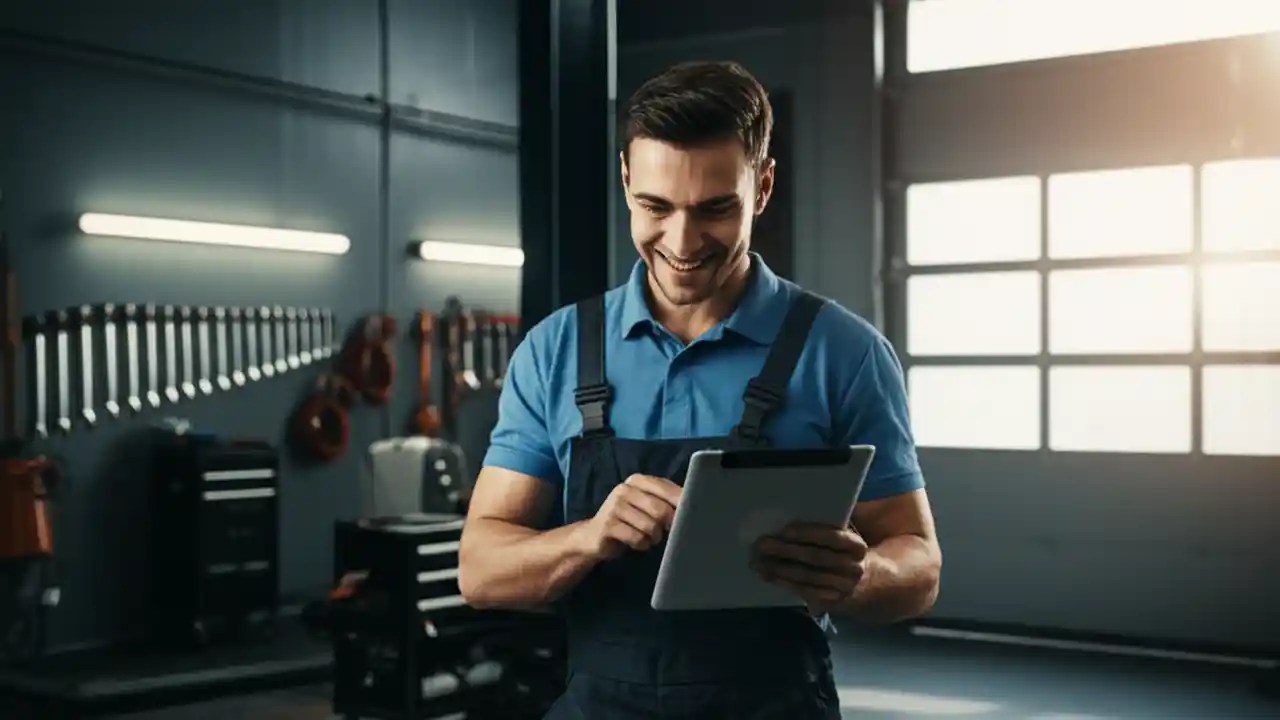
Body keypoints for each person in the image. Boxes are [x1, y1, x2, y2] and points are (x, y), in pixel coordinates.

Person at [458, 60, 941, 719]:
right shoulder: (557, 350)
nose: (682, 243)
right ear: (627, 181)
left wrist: (862, 576)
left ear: (763, 186)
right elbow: (481, 569)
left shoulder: (843, 353)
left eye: (715, 209)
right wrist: (588, 537)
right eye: (656, 207)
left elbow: (919, 566)